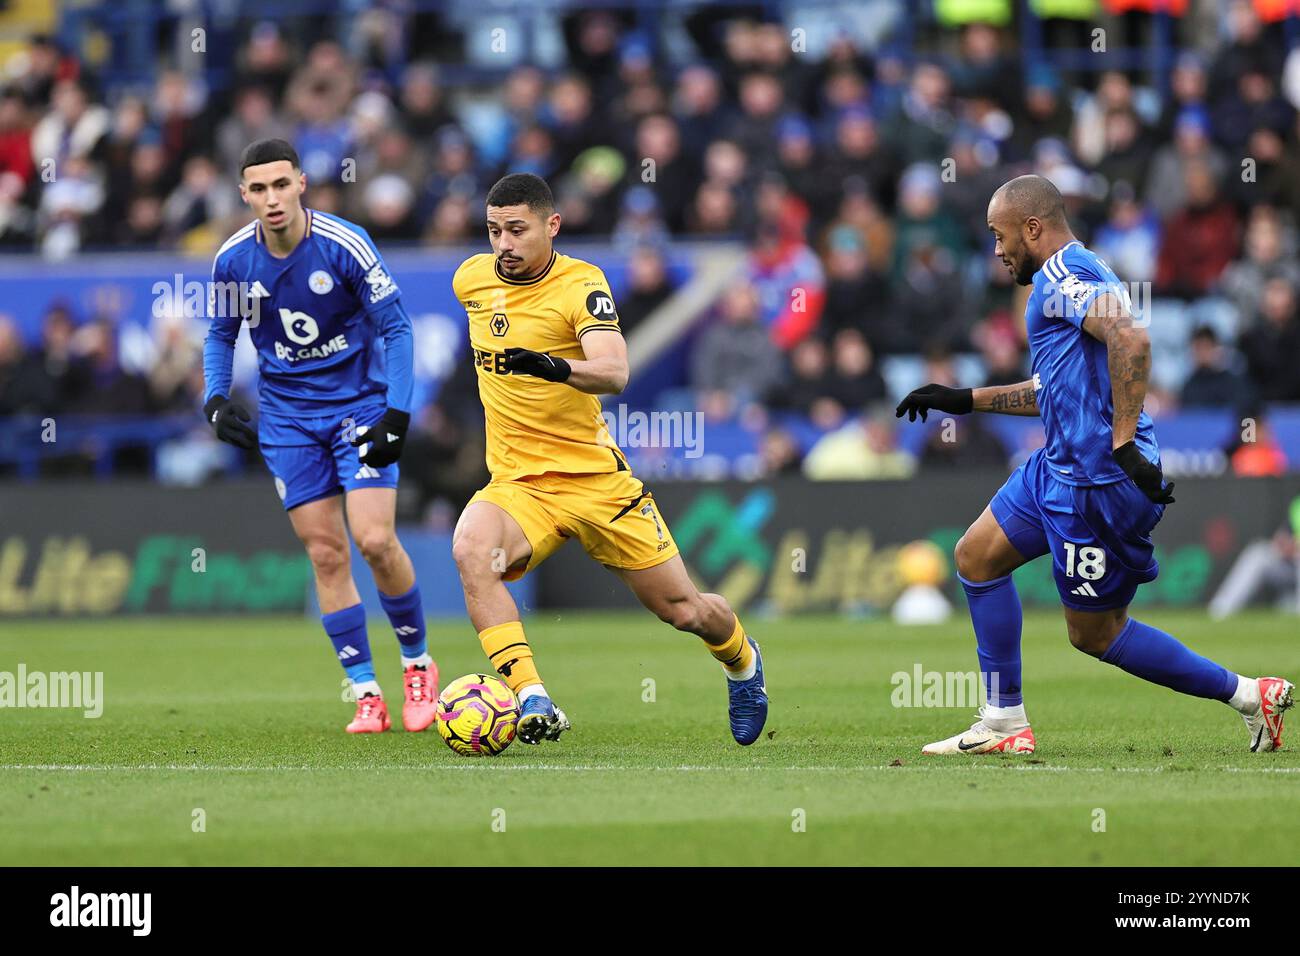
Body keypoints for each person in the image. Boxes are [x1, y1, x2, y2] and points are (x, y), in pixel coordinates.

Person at [895, 174, 1292, 755]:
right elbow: (1058, 388)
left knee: (1095, 635)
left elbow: (1132, 341)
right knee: (976, 556)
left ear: (1033, 228)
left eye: (1000, 236)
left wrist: (1125, 444)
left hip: (1096, 487)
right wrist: (965, 400)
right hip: (1057, 468)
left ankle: (1250, 696)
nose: (997, 251)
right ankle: (1004, 720)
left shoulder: (1062, 279)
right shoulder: (1075, 274)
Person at [450, 172, 767, 746]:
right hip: (519, 484)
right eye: (494, 230)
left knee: (686, 611)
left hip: (597, 484)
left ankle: (743, 663)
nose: (504, 244)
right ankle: (531, 696)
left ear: (552, 226)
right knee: (472, 549)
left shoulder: (581, 284)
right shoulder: (470, 280)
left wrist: (553, 366)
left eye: (517, 230)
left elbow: (615, 371)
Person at [202, 139, 437, 734]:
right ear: (244, 195)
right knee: (326, 552)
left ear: (301, 183)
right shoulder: (232, 260)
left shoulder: (345, 245)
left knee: (375, 540)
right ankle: (365, 692)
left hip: (358, 407)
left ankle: (417, 663)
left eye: (281, 184)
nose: (272, 199)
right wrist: (215, 399)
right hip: (287, 419)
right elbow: (220, 335)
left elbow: (399, 330)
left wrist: (397, 414)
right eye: (259, 189)